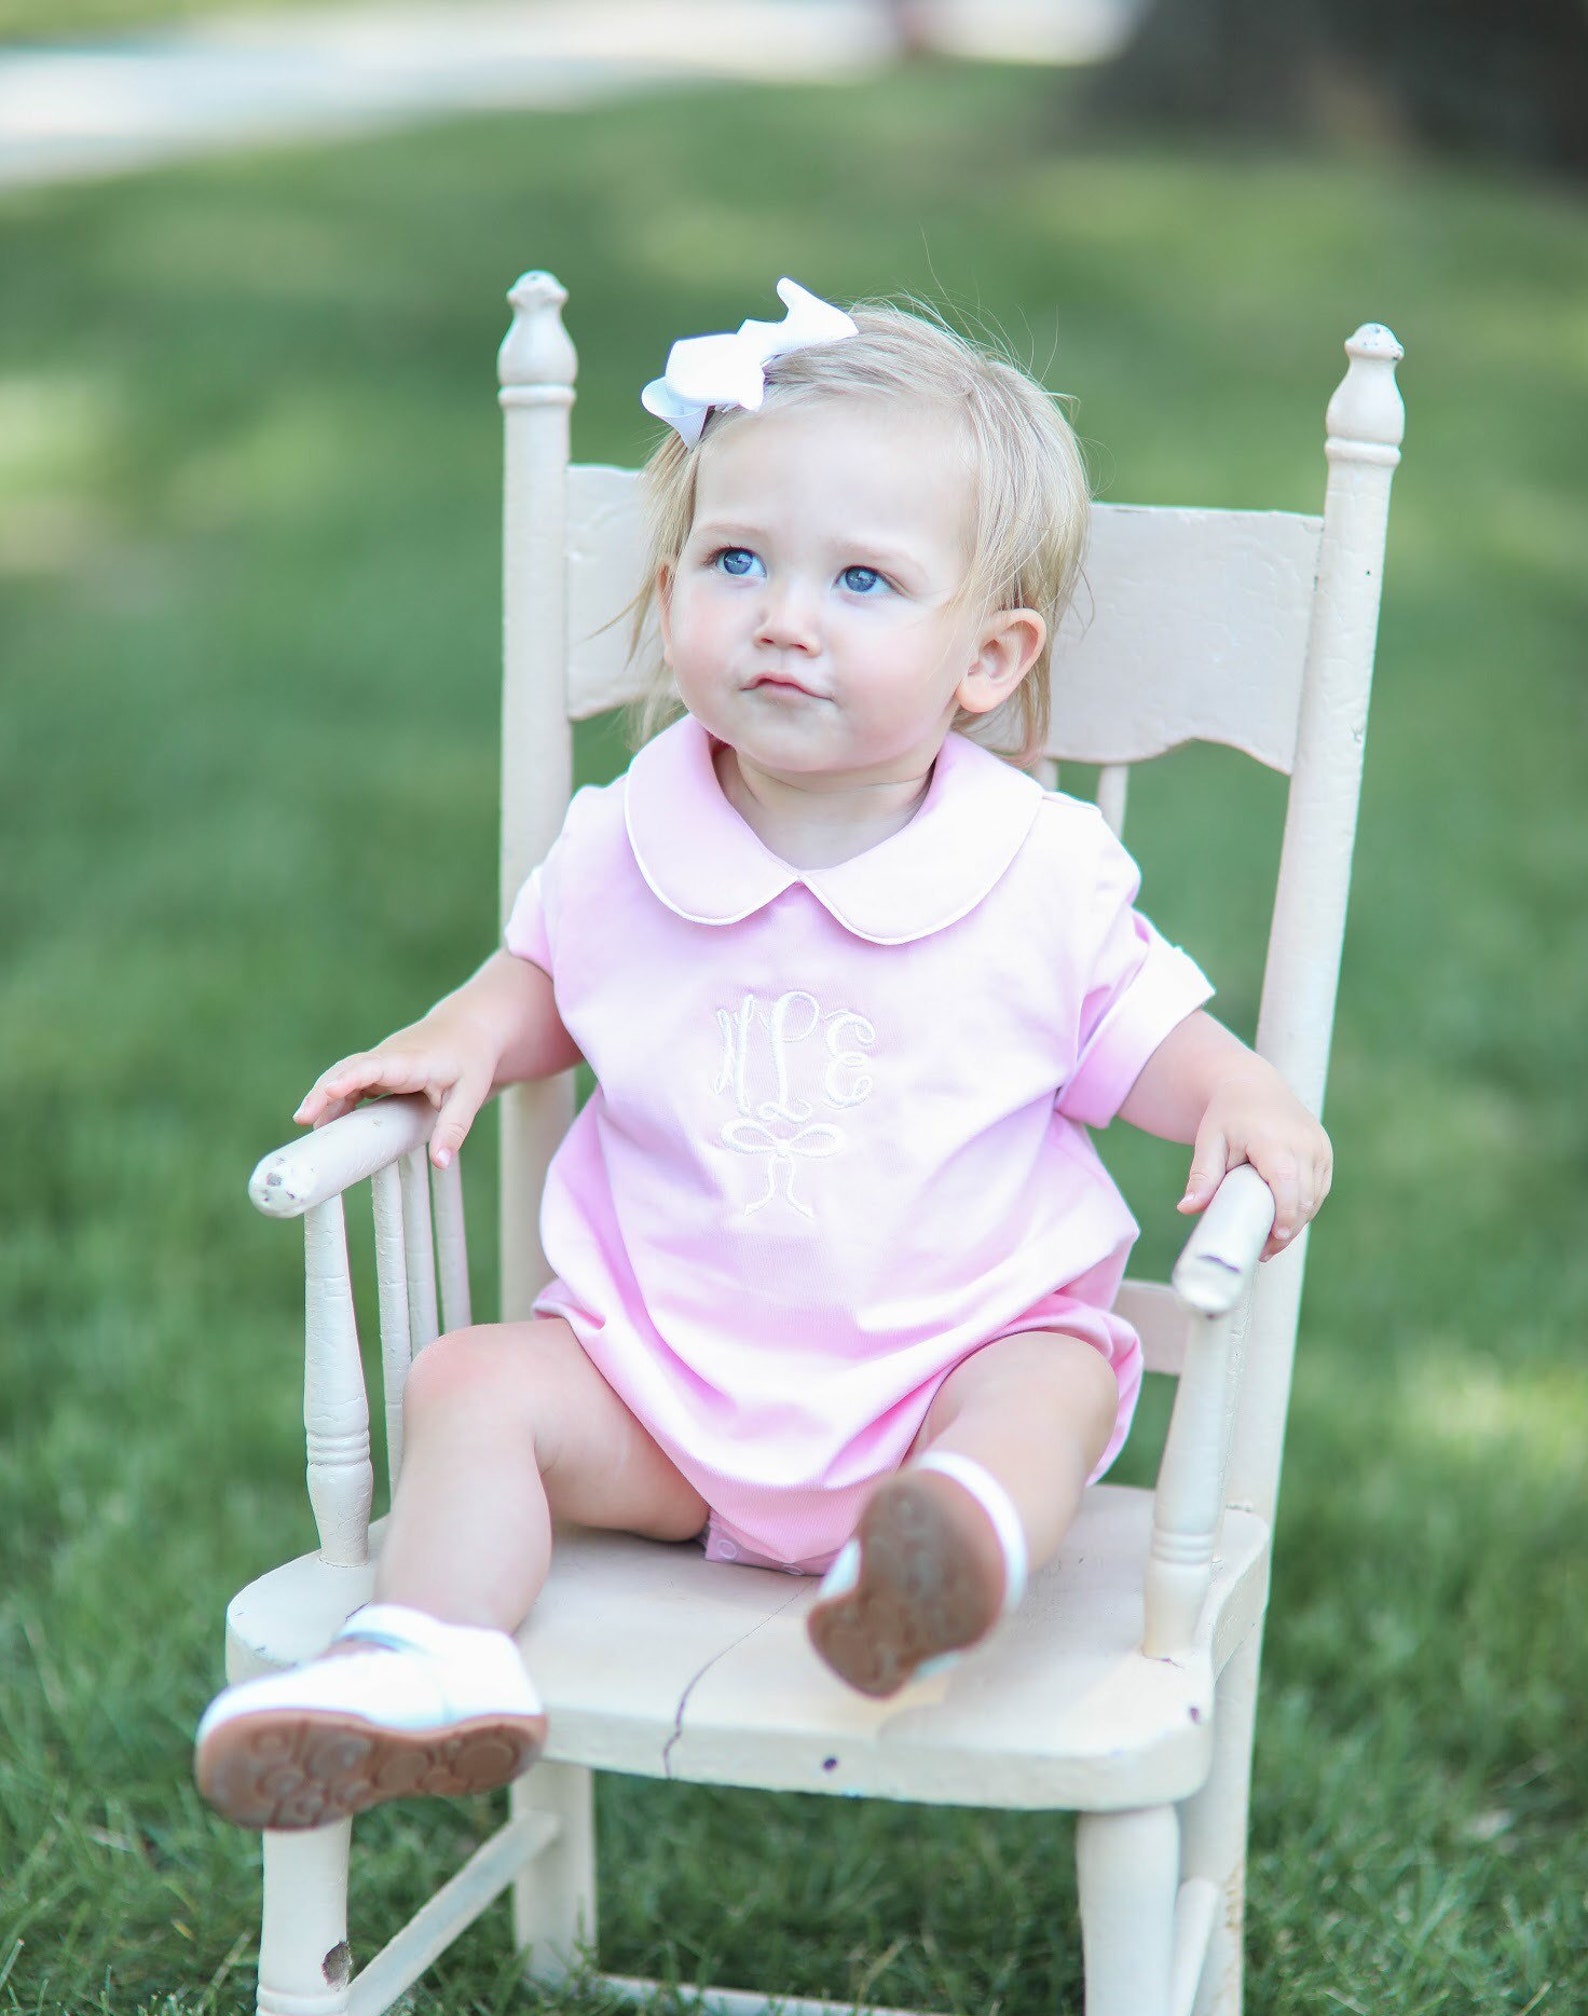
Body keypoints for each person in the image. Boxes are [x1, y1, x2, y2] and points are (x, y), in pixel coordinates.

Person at [195, 280, 1331, 1832]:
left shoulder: (1033, 870)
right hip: (663, 1389)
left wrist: (1239, 1090)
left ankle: (937, 1557)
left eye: (861, 578)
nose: (785, 615)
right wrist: (461, 1035)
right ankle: (431, 1654)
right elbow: (551, 978)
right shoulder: (627, 836)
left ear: (988, 658)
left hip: (943, 1365)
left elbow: (1144, 1037)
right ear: (673, 593)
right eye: (738, 560)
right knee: (471, 1379)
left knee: (1051, 1381)